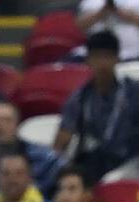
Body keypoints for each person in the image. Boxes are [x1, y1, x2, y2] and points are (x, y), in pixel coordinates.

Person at [54, 30, 139, 184]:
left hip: (131, 161)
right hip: (94, 162)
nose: (102, 63)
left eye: (107, 57)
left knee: (111, 180)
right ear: (88, 60)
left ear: (117, 59)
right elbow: (62, 140)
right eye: (97, 57)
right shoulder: (80, 97)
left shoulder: (133, 92)